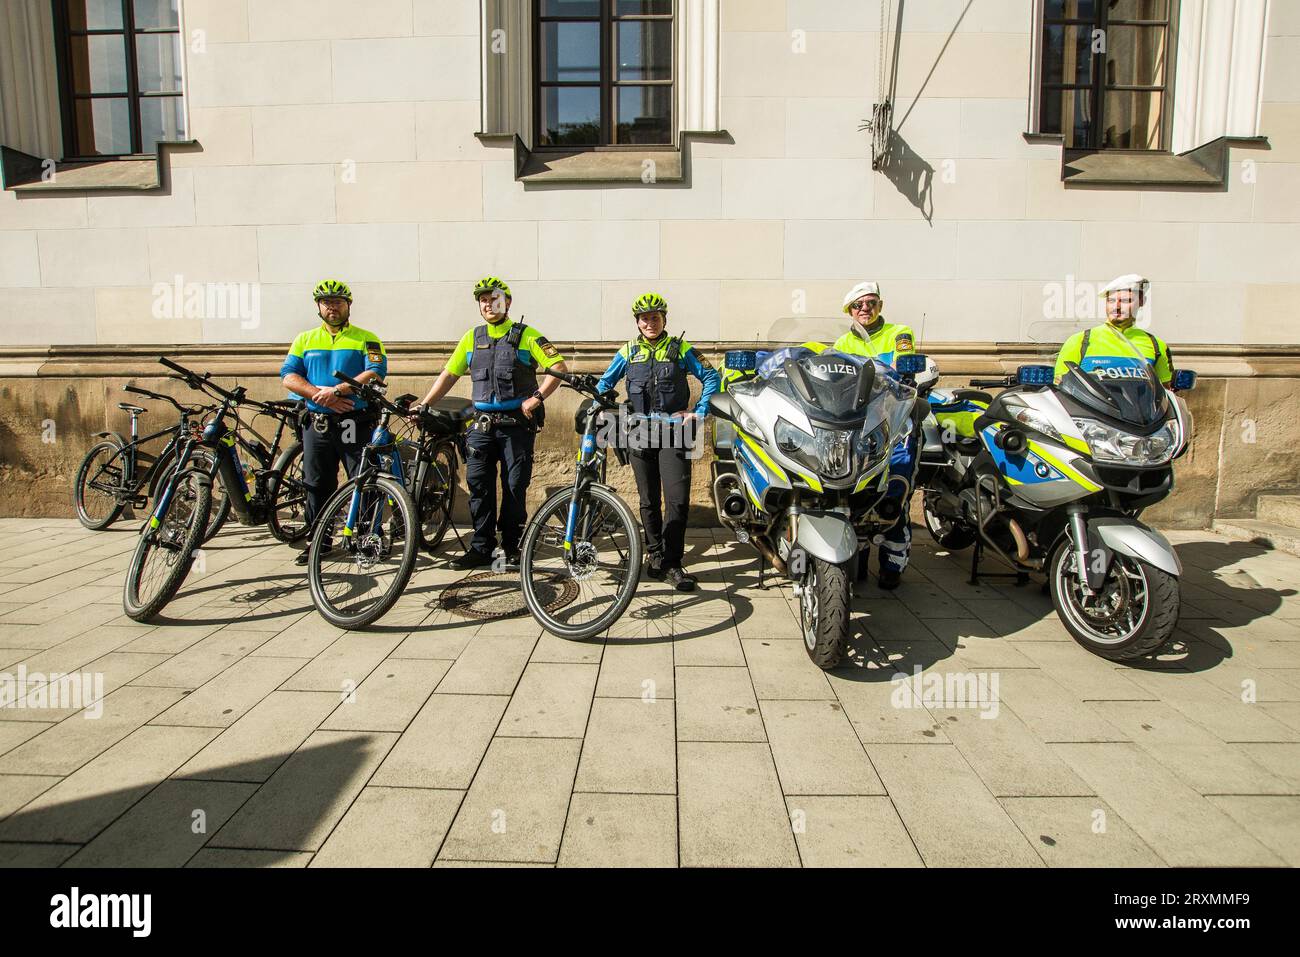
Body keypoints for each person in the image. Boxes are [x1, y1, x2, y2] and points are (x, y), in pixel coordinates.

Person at [412, 277, 567, 569]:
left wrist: (536, 397)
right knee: (479, 486)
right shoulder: (471, 337)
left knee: (513, 486)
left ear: (507, 302)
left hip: (516, 424)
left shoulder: (527, 335)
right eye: (483, 299)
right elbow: (449, 374)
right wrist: (425, 403)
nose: (488, 304)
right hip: (481, 425)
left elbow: (558, 367)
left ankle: (511, 547)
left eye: (495, 298)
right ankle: (482, 547)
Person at [596, 293, 721, 591]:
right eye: (644, 318)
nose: (649, 323)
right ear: (637, 322)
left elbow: (712, 377)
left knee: (677, 500)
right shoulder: (628, 351)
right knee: (648, 500)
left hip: (674, 432)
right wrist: (596, 399)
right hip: (639, 432)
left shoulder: (680, 348)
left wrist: (699, 412)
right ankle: (654, 554)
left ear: (664, 319)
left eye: (655, 317)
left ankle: (673, 562)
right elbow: (605, 383)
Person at [280, 279, 387, 567]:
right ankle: (319, 541)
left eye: (338, 301)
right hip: (318, 422)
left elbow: (376, 371)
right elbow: (288, 375)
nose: (332, 307)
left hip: (354, 420)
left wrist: (338, 391)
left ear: (348, 305)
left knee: (363, 481)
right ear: (318, 306)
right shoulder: (304, 339)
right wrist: (319, 395)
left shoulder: (367, 338)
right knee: (315, 483)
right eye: (326, 302)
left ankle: (367, 539)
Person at [832, 281, 918, 589]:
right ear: (849, 311)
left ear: (879, 305)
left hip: (894, 420)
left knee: (894, 489)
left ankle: (892, 561)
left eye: (870, 303)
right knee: (856, 491)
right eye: (858, 305)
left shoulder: (899, 333)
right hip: (857, 424)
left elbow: (902, 371)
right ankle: (858, 556)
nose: (864, 308)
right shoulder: (841, 343)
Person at [1054, 274, 1173, 386]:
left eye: (1126, 301)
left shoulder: (1156, 345)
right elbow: (1061, 385)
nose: (1116, 306)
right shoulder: (1079, 341)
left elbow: (1165, 393)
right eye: (1111, 301)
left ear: (1142, 302)